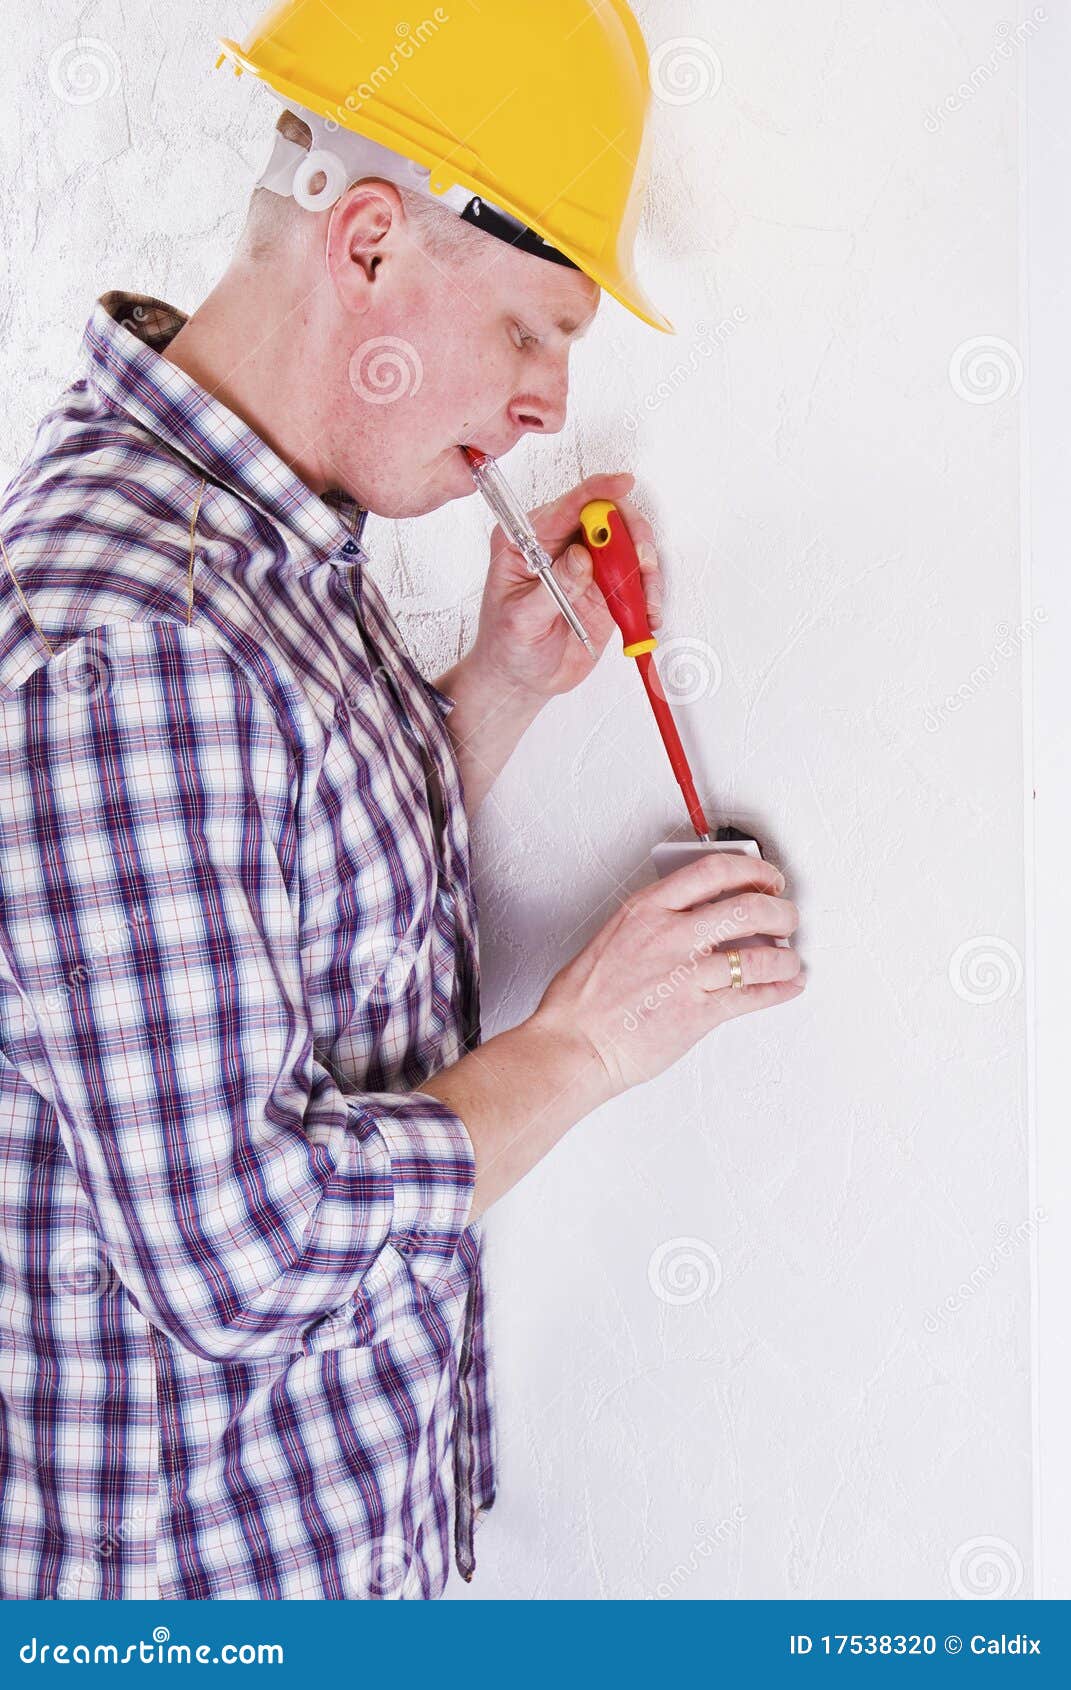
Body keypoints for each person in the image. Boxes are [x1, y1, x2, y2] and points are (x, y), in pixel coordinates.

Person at [0, 0, 803, 1600]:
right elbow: (243, 1255)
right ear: (367, 248)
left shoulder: (261, 545)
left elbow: (281, 898)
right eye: (529, 331)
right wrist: (588, 1041)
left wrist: (492, 691)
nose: (541, 405)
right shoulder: (129, 632)